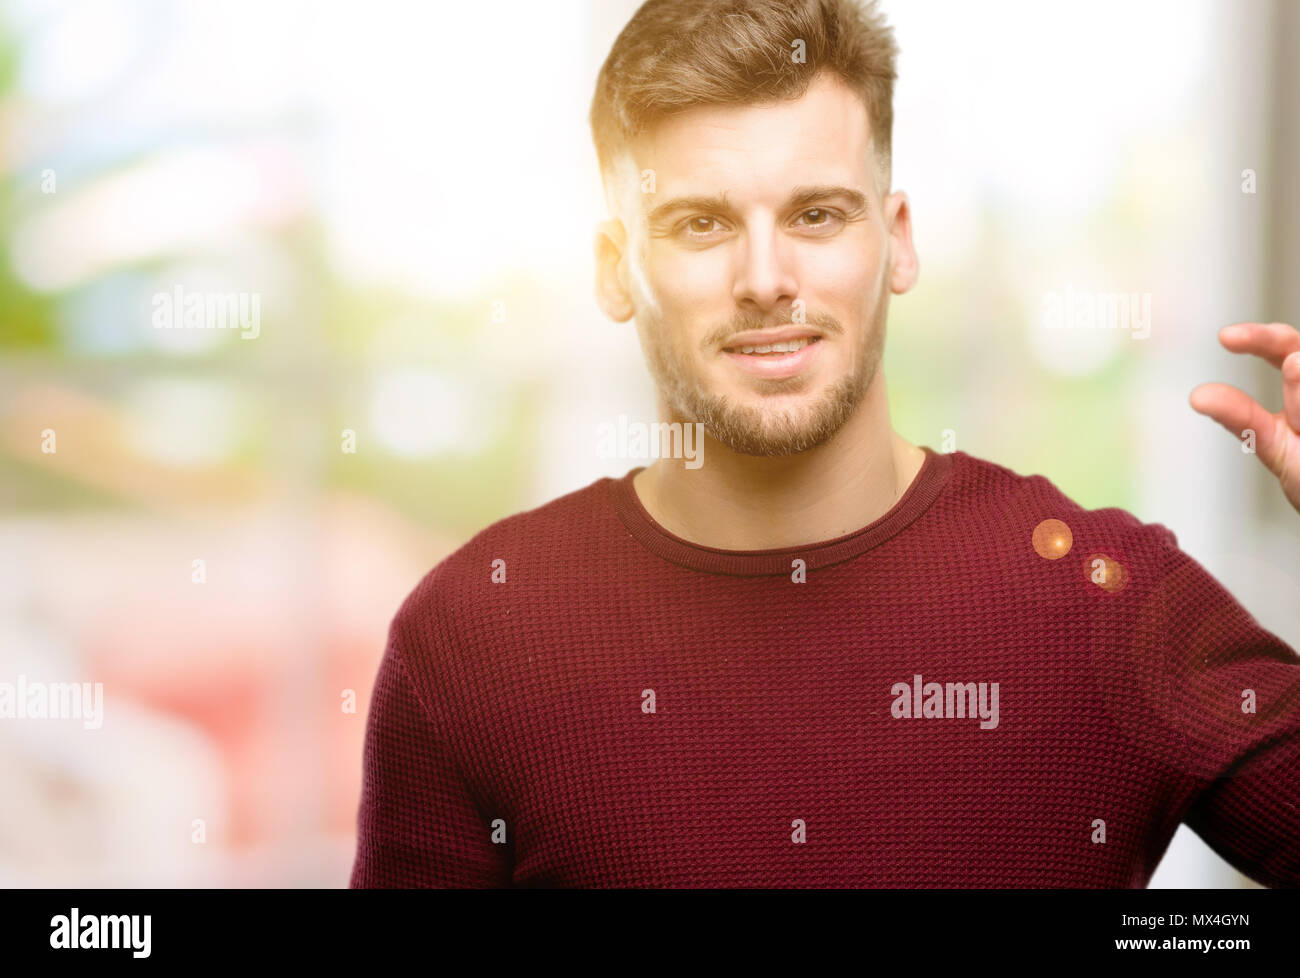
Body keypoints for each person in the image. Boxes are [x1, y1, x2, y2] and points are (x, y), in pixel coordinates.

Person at [350, 0, 1300, 888]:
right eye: (702, 222)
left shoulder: (1104, 600)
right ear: (614, 269)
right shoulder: (472, 641)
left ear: (896, 242)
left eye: (816, 214)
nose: (766, 279)